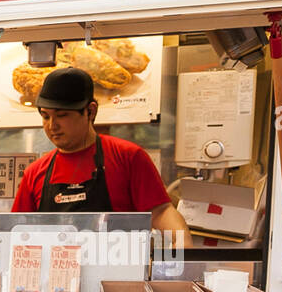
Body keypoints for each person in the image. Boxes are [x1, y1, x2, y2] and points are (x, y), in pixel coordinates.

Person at [12, 66, 190, 244]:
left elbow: (160, 212)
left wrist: (181, 245)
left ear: (90, 111)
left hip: (120, 270)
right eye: (45, 116)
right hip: (56, 270)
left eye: (62, 115)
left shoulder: (127, 157)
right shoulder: (35, 173)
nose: (52, 126)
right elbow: (17, 232)